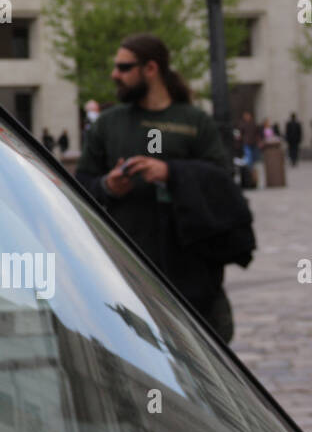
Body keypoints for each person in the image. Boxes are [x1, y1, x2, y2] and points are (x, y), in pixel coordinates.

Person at [75, 34, 252, 344]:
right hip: (127, 270)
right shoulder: (108, 124)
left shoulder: (195, 121)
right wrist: (108, 185)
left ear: (151, 69)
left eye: (124, 67)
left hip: (192, 273)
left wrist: (171, 173)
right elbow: (81, 184)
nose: (115, 74)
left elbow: (222, 183)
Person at [238, 110, 260, 189]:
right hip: (246, 143)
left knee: (252, 157)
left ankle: (251, 170)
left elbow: (257, 133)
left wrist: (258, 141)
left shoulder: (253, 124)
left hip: (253, 143)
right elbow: (240, 133)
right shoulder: (242, 124)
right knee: (248, 156)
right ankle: (249, 170)